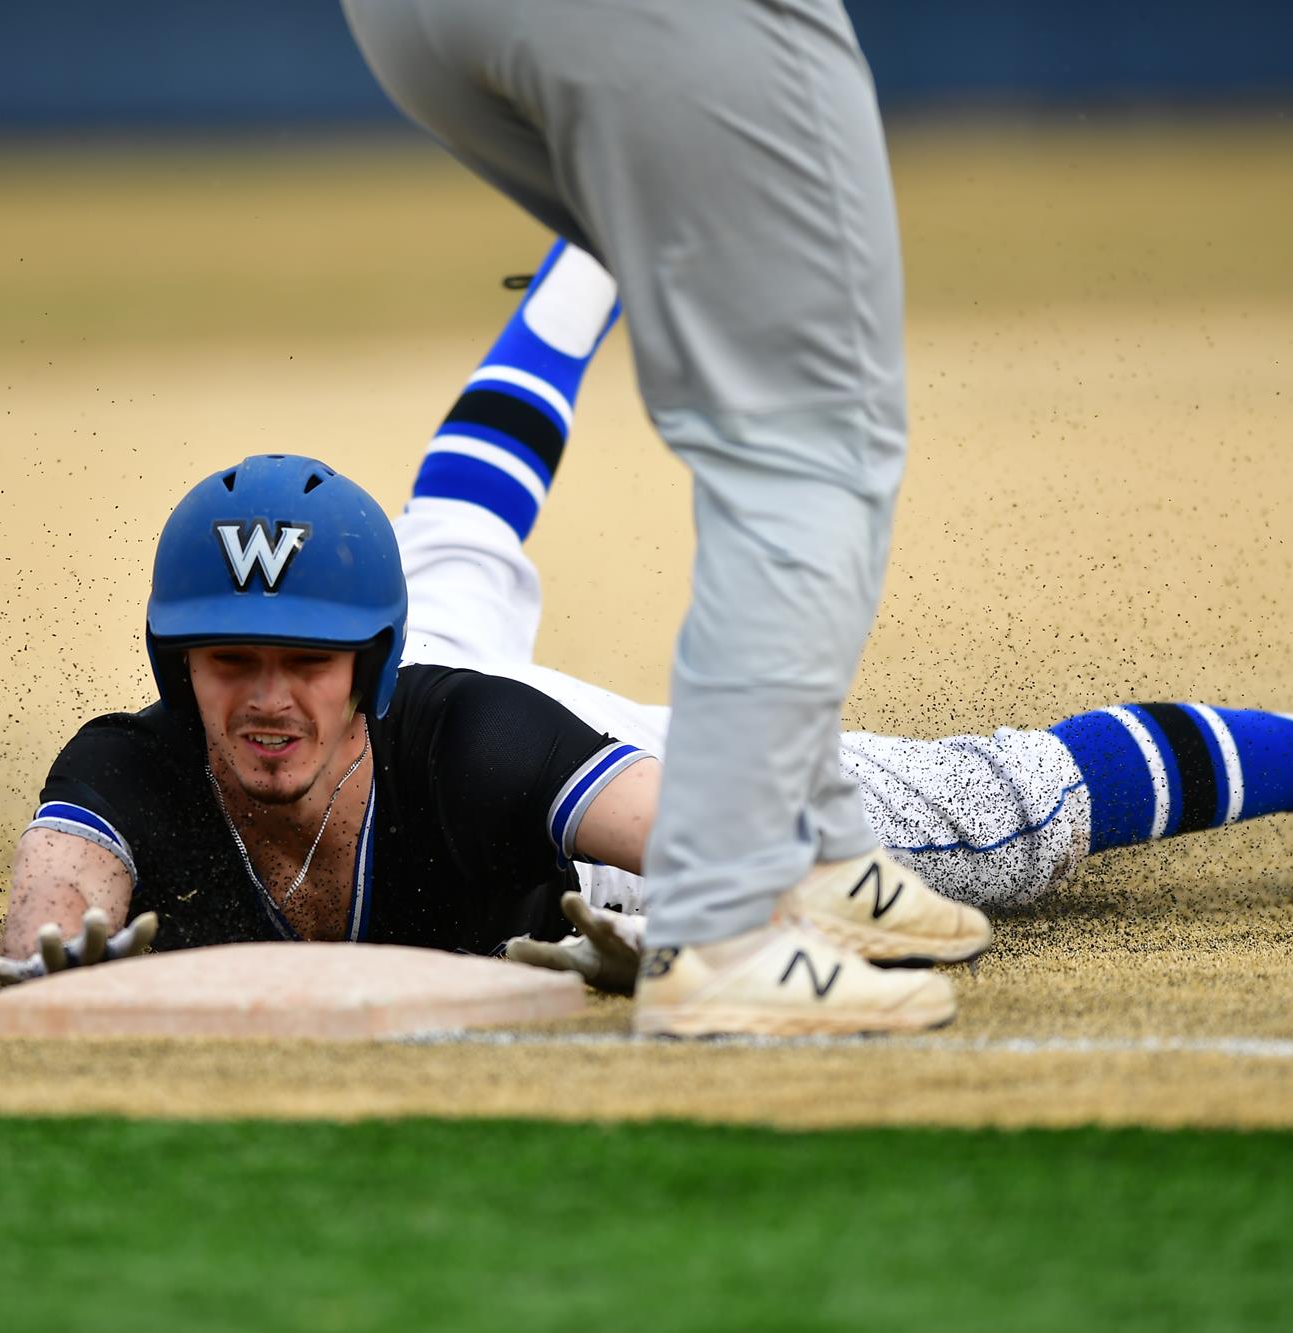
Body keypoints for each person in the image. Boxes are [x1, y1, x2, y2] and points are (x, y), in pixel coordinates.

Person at [0, 243, 1293, 1027]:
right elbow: (60, 889)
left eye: (301, 659)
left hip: (569, 801)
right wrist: (49, 956)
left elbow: (739, 845)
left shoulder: (477, 741)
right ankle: (600, 252)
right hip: (433, 692)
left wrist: (719, 930)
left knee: (995, 819)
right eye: (228, 658)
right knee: (449, 554)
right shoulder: (143, 758)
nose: (263, 694)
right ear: (176, 666)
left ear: (360, 676)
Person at [339, 0, 925, 1034]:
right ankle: (732, 924)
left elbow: (477, 472)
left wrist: (600, 246)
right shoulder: (445, 697)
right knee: (807, 442)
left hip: (399, 28)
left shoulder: (396, 647)